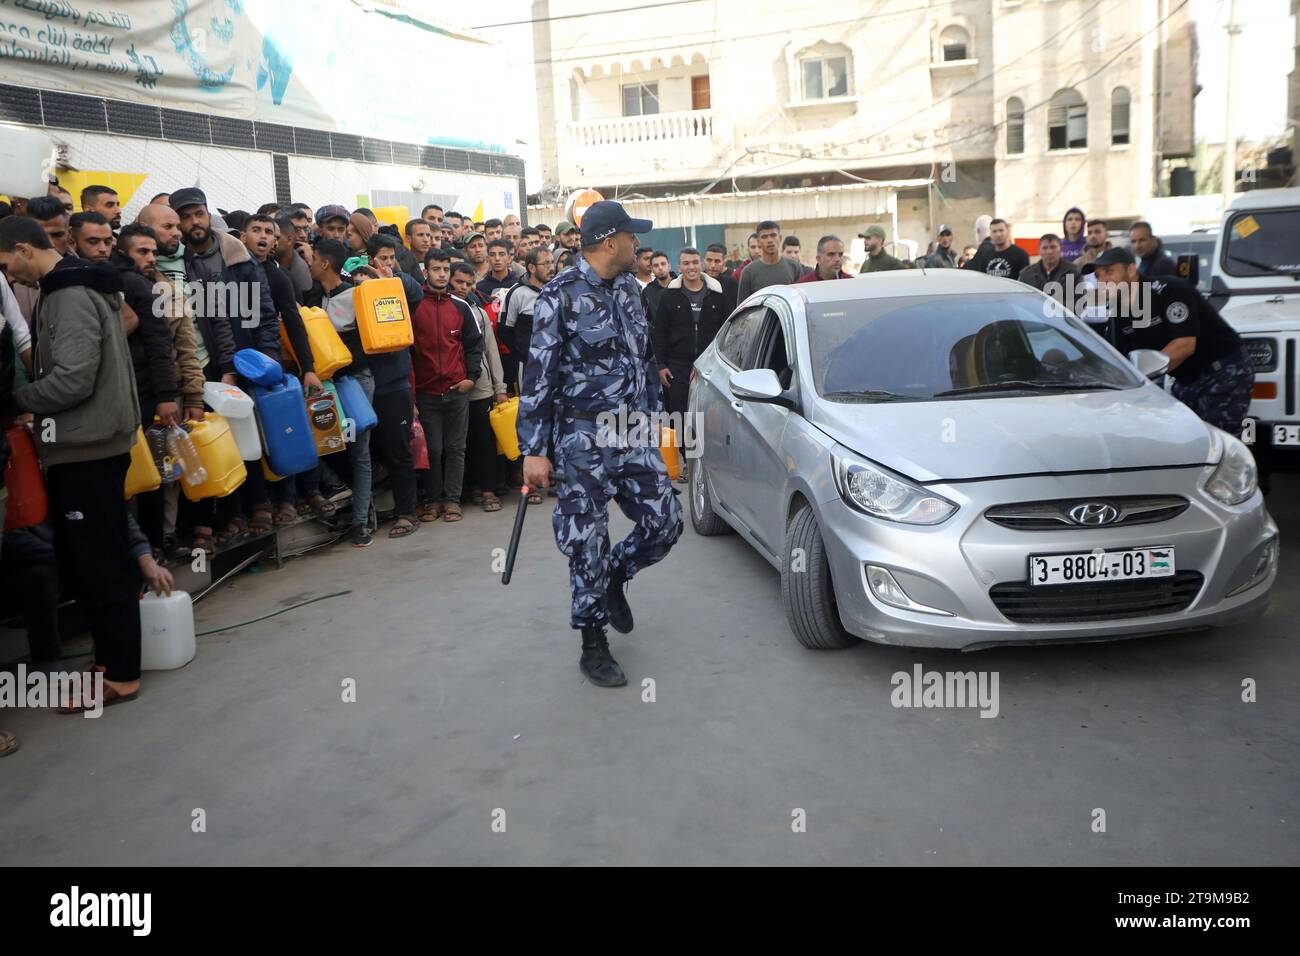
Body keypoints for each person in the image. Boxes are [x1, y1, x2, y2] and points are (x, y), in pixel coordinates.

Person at [517, 200, 683, 688]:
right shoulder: (559, 296)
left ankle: (616, 575)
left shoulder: (631, 287)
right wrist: (534, 448)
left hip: (632, 428)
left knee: (666, 522)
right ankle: (593, 641)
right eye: (633, 237)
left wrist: (653, 417)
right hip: (581, 436)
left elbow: (644, 356)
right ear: (610, 241)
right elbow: (538, 377)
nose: (639, 244)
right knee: (586, 539)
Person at [0, 215, 143, 712]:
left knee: (100, 564)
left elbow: (75, 379)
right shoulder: (75, 284)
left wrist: (19, 397)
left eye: (6, 264)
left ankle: (121, 674)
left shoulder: (68, 295)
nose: (8, 277)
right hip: (89, 443)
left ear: (23, 248)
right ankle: (111, 659)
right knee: (96, 559)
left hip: (89, 448)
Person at [1087, 248, 1253, 436]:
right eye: (1098, 276)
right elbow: (1118, 360)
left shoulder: (1169, 290)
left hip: (1223, 371)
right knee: (1187, 441)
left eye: (1110, 272)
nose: (1103, 281)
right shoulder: (1118, 311)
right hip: (1184, 379)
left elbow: (1184, 345)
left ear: (1131, 270)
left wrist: (1138, 378)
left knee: (1218, 442)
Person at [412, 249, 483, 523]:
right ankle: (432, 501)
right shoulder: (414, 305)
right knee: (433, 449)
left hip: (457, 390)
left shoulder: (461, 306)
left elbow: (474, 346)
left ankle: (452, 501)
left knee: (456, 448)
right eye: (436, 269)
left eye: (445, 270)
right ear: (425, 271)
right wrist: (412, 394)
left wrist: (471, 379)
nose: (441, 274)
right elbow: (406, 352)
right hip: (426, 392)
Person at [652, 246, 729, 482]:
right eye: (686, 263)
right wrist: (661, 365)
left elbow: (728, 330)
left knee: (711, 416)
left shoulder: (717, 294)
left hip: (710, 367)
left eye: (695, 262)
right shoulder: (670, 296)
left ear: (701, 264)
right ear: (679, 266)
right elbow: (659, 333)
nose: (691, 267)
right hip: (677, 366)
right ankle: (690, 463)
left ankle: (712, 464)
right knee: (681, 416)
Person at [449, 262, 508, 512]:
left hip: (480, 386)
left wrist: (499, 387)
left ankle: (487, 489)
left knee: (483, 440)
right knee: (459, 443)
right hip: (450, 385)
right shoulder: (441, 308)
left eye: (468, 283)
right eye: (459, 282)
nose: (464, 288)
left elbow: (491, 350)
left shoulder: (478, 311)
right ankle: (468, 488)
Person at [501, 245, 554, 394]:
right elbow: (504, 330)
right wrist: (524, 352)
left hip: (554, 362)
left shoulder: (557, 290)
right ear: (531, 267)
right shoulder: (516, 293)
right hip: (527, 364)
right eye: (546, 264)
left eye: (552, 262)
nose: (551, 268)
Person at [737, 220, 803, 300]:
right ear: (758, 241)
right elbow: (743, 309)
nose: (770, 240)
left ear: (780, 238)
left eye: (773, 235)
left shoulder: (794, 267)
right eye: (764, 237)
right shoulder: (748, 272)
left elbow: (801, 301)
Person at [965, 218, 1029, 280]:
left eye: (1001, 230)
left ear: (1007, 232)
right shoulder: (986, 255)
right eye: (994, 231)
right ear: (990, 234)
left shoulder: (1020, 255)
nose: (998, 234)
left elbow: (1026, 280)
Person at [702, 243, 740, 311]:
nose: (713, 265)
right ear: (703, 261)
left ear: (724, 263)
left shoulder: (731, 284)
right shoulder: (696, 282)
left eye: (717, 261)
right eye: (709, 260)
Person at [642, 250, 675, 320]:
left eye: (663, 264)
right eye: (656, 265)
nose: (660, 268)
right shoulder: (647, 292)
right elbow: (645, 319)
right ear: (652, 269)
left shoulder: (681, 285)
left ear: (669, 266)